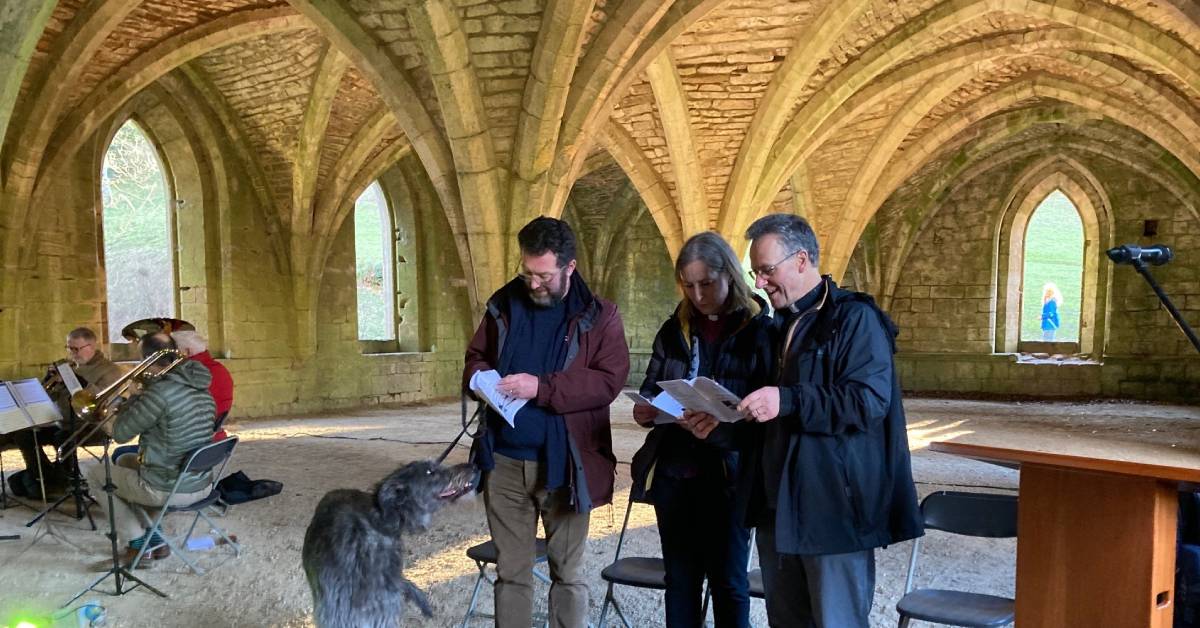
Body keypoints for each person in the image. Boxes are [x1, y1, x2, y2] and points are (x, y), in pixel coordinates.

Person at [695, 213, 923, 627]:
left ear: (801, 260)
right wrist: (722, 424)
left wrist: (787, 400)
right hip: (775, 506)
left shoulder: (854, 320)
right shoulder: (772, 328)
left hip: (832, 508)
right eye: (756, 272)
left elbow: (868, 401)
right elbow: (766, 412)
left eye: (767, 271)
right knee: (787, 622)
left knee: (836, 621)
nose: (760, 283)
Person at [463, 216, 630, 628]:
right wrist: (478, 379)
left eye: (544, 275)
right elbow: (475, 357)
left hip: (567, 464)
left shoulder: (600, 316)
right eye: (527, 272)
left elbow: (608, 382)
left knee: (567, 575)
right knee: (511, 575)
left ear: (570, 268)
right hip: (503, 461)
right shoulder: (503, 305)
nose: (534, 283)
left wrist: (542, 388)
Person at [629, 232, 771, 628]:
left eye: (706, 284)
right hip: (676, 473)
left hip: (728, 476)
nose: (698, 294)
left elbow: (767, 405)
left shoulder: (759, 330)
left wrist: (727, 419)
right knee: (680, 581)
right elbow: (653, 384)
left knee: (728, 582)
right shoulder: (674, 328)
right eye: (688, 285)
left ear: (729, 274)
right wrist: (646, 409)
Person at [81, 332, 215, 565]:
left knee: (94, 473)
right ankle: (156, 538)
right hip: (200, 480)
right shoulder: (200, 386)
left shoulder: (158, 393)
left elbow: (122, 434)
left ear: (148, 360)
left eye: (140, 359)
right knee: (124, 463)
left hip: (170, 486)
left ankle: (136, 542)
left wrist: (133, 399)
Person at [4, 327, 126, 497]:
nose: (72, 353)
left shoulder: (110, 370)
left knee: (62, 437)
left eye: (76, 349)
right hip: (64, 421)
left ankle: (63, 480)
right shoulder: (67, 365)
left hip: (95, 425)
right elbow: (46, 396)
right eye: (69, 348)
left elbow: (102, 401)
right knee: (24, 434)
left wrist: (76, 381)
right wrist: (48, 380)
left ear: (92, 346)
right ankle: (45, 477)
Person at [171, 330, 234, 438]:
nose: (171, 356)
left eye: (173, 351)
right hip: (213, 437)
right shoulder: (219, 368)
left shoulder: (189, 374)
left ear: (186, 351)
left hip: (188, 441)